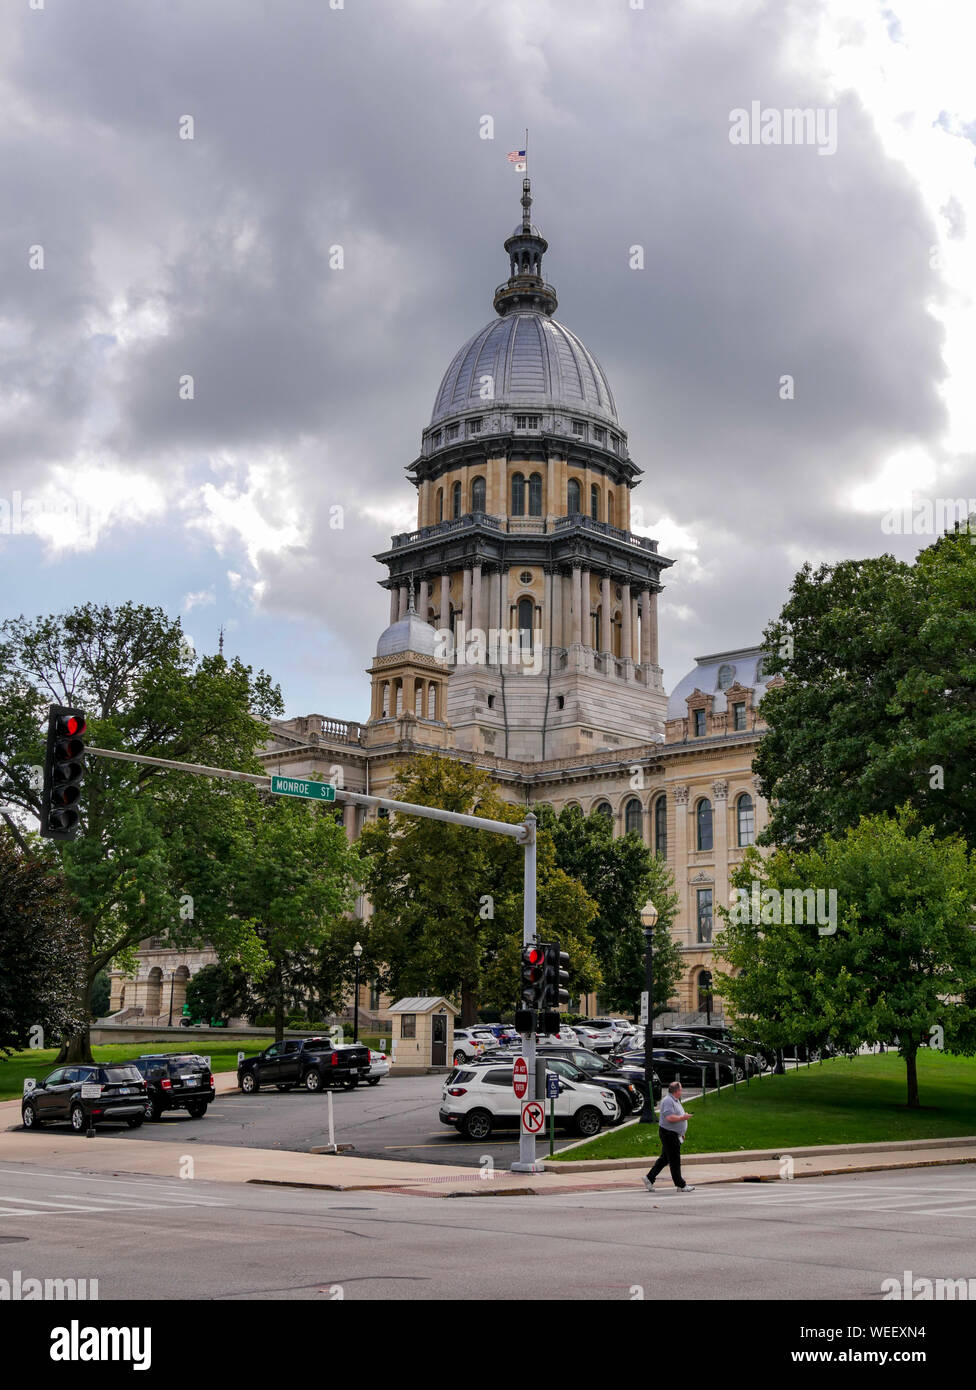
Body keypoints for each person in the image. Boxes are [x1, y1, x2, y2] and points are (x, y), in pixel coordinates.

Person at [643, 1081, 695, 1193]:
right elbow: (669, 1118)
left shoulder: (674, 1100)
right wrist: (683, 1117)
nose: (681, 1091)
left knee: (665, 1159)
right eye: (681, 1089)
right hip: (668, 1134)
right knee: (675, 1160)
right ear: (676, 1091)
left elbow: (676, 1115)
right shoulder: (667, 1101)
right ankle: (681, 1185)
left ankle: (649, 1178)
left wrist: (681, 1132)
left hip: (673, 1134)